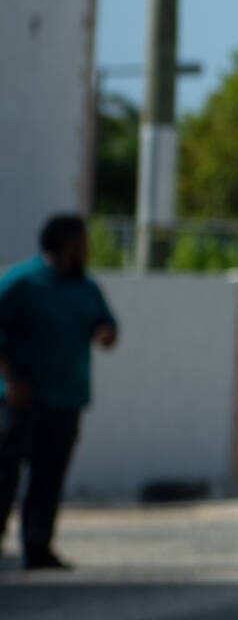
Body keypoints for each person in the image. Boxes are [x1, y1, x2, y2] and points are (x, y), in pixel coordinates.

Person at [0, 216, 118, 570]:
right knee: (4, 473)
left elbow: (107, 324)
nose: (87, 249)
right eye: (82, 241)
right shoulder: (22, 282)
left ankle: (38, 546)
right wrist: (10, 378)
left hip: (66, 400)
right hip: (22, 398)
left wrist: (106, 333)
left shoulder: (86, 288)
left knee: (49, 476)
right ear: (65, 243)